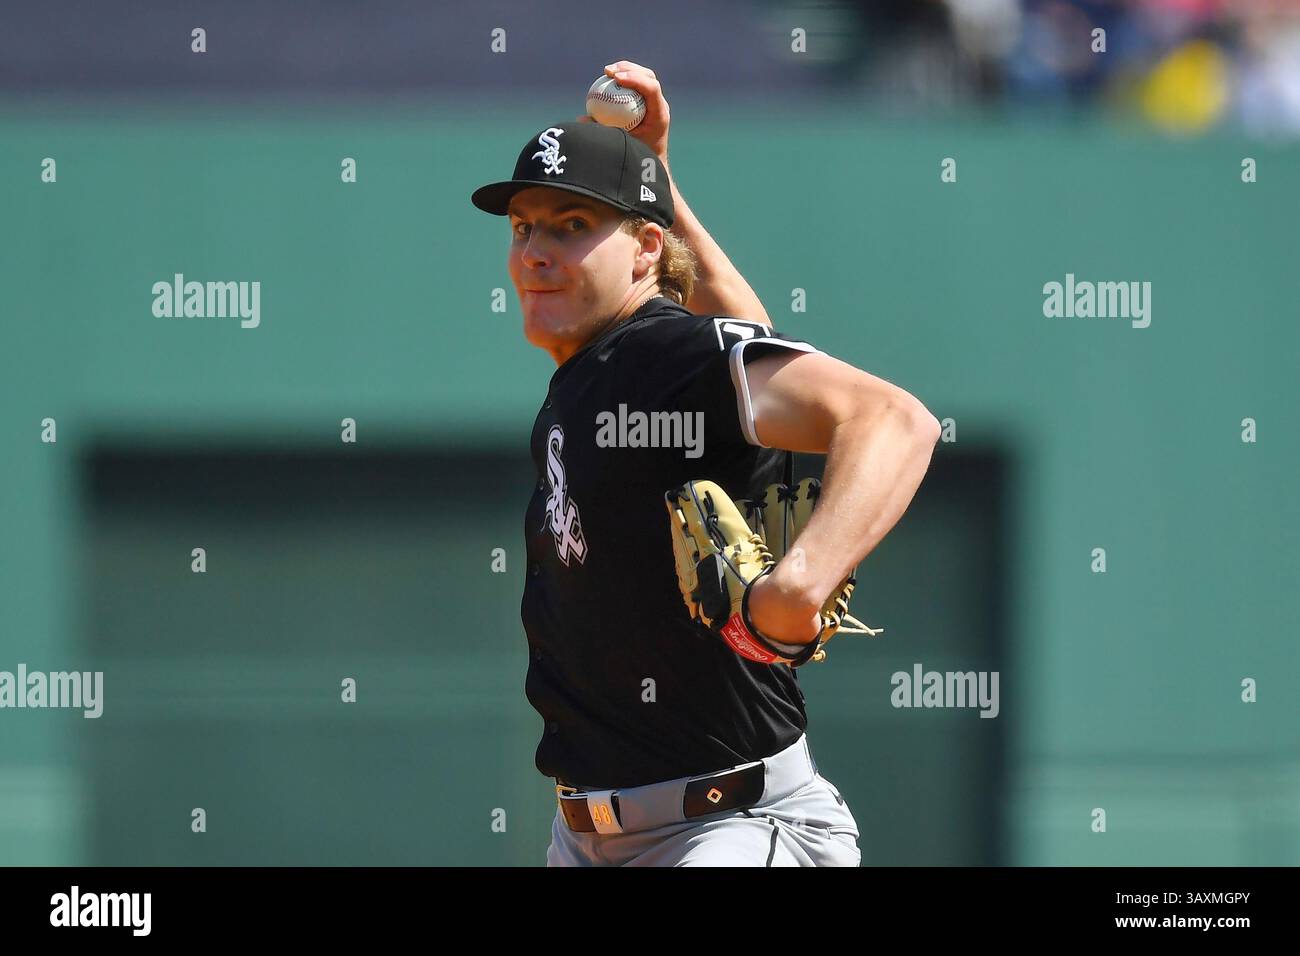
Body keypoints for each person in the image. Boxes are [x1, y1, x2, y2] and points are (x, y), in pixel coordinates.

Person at [470, 61, 940, 866]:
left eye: (570, 226)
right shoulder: (600, 370)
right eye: (524, 227)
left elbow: (894, 417)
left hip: (730, 827)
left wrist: (802, 581)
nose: (536, 250)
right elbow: (744, 334)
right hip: (587, 841)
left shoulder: (655, 351)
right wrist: (654, 169)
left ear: (647, 248)